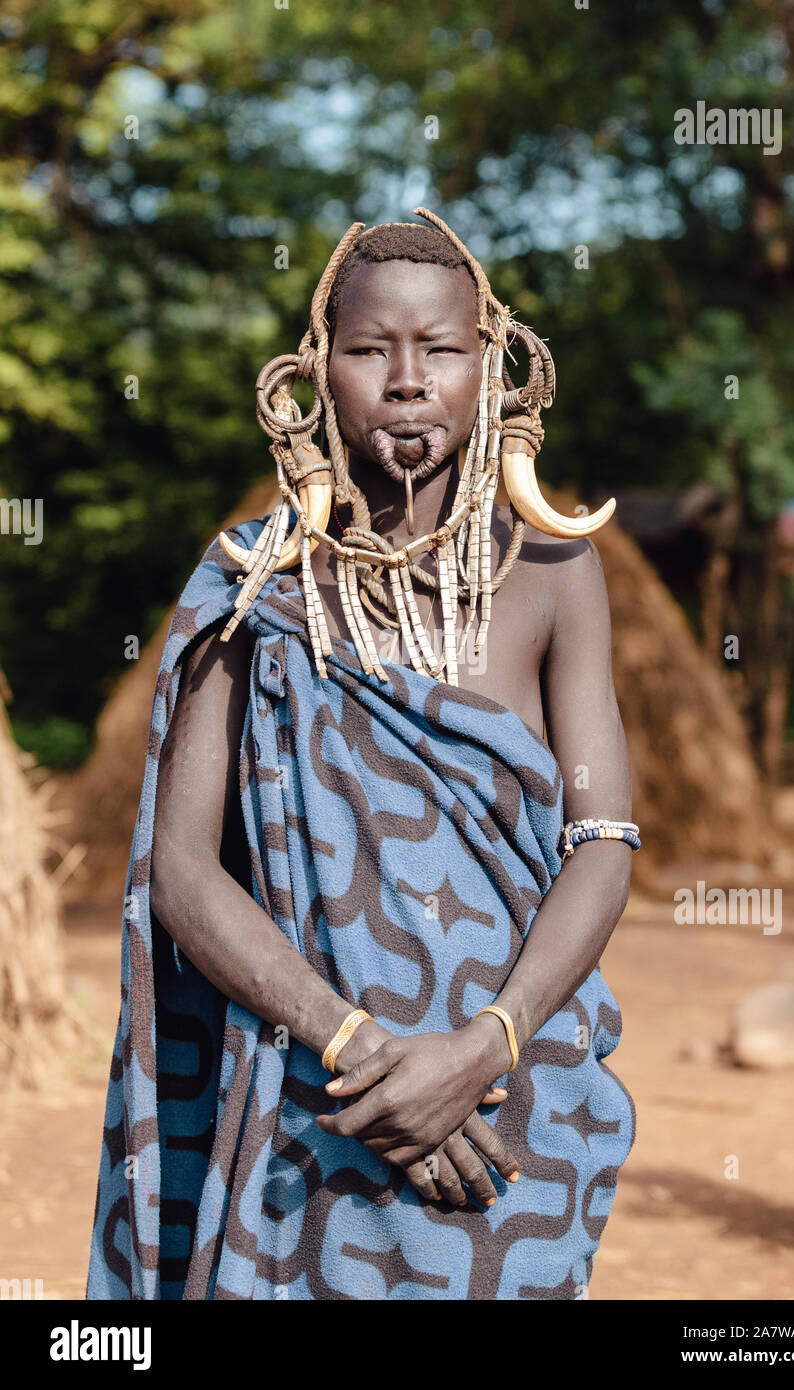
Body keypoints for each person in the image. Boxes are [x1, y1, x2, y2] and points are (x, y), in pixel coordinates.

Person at [86, 209, 637, 1301]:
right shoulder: (257, 582)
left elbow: (603, 837)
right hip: (311, 1092)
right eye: (369, 348)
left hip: (513, 1095)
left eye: (441, 349)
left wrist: (480, 1049)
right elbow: (182, 870)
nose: (407, 379)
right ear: (314, 371)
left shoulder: (553, 571)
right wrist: (358, 1050)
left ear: (493, 366)